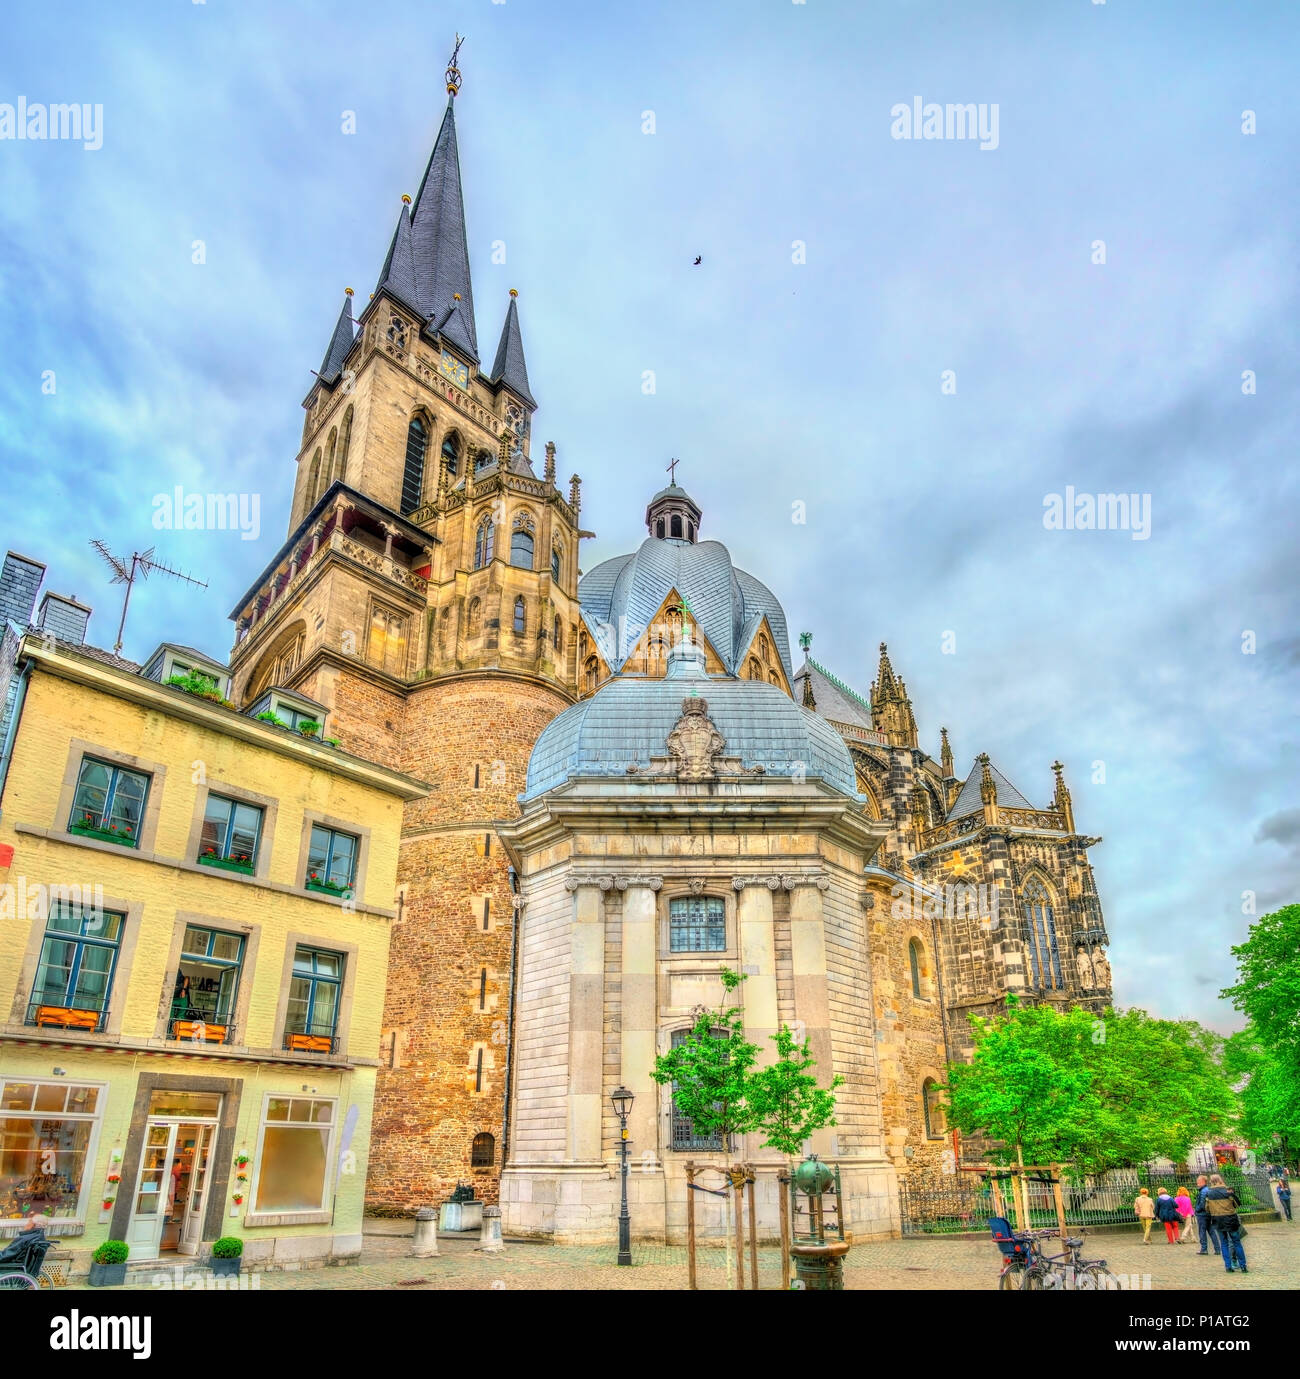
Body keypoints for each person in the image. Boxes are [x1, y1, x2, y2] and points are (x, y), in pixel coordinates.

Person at [1203, 1173, 1247, 1274]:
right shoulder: (1227, 1191)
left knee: (1224, 1243)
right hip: (1230, 1219)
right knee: (1236, 1242)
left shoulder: (1209, 1194)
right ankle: (1243, 1265)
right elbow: (1237, 1204)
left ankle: (1228, 1266)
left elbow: (1207, 1208)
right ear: (1220, 1180)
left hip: (1218, 1220)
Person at [1194, 1173, 1220, 1257]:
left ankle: (1204, 1249)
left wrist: (1196, 1210)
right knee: (1212, 1231)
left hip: (1202, 1214)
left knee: (1202, 1231)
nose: (1197, 1183)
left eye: (1198, 1181)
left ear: (1202, 1181)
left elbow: (1202, 1204)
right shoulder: (1207, 1189)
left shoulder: (1203, 1191)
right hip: (1208, 1214)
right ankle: (1217, 1249)